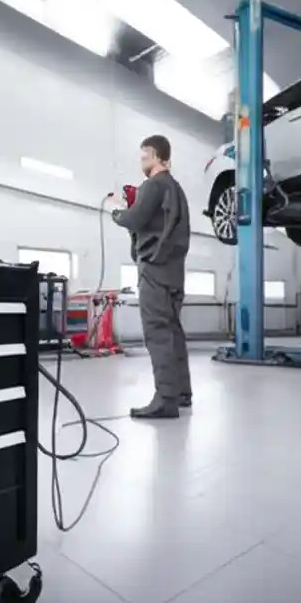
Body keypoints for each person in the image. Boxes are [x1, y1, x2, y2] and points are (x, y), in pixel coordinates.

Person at [110, 135, 192, 419]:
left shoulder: (153, 185)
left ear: (156, 156)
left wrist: (118, 212)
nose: (141, 161)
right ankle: (182, 392)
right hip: (174, 271)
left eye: (144, 155)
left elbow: (135, 219)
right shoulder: (176, 189)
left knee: (157, 332)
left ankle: (166, 400)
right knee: (173, 331)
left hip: (155, 269)